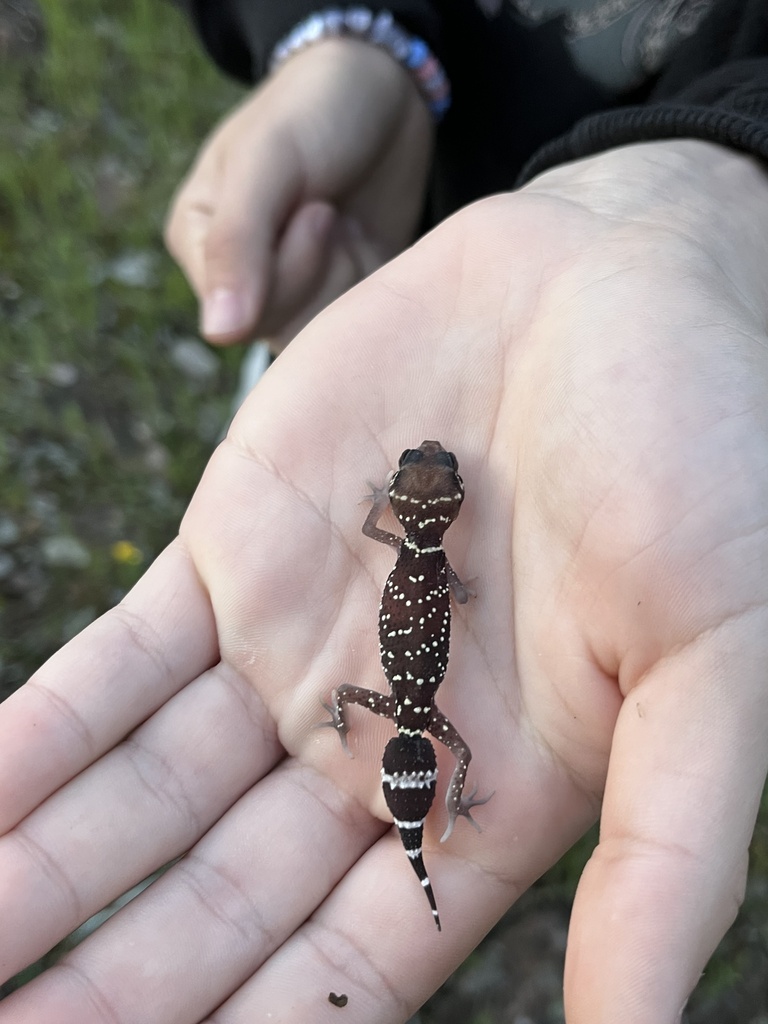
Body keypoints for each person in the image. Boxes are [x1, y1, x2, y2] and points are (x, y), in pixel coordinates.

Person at [1, 4, 767, 1023]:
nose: (432, 482)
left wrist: (722, 197)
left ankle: (421, 830)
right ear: (436, 511)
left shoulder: (416, 558)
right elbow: (439, 584)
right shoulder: (437, 571)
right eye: (429, 478)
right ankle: (425, 828)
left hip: (400, 687)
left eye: (425, 479)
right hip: (403, 684)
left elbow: (407, 562)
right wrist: (360, 37)